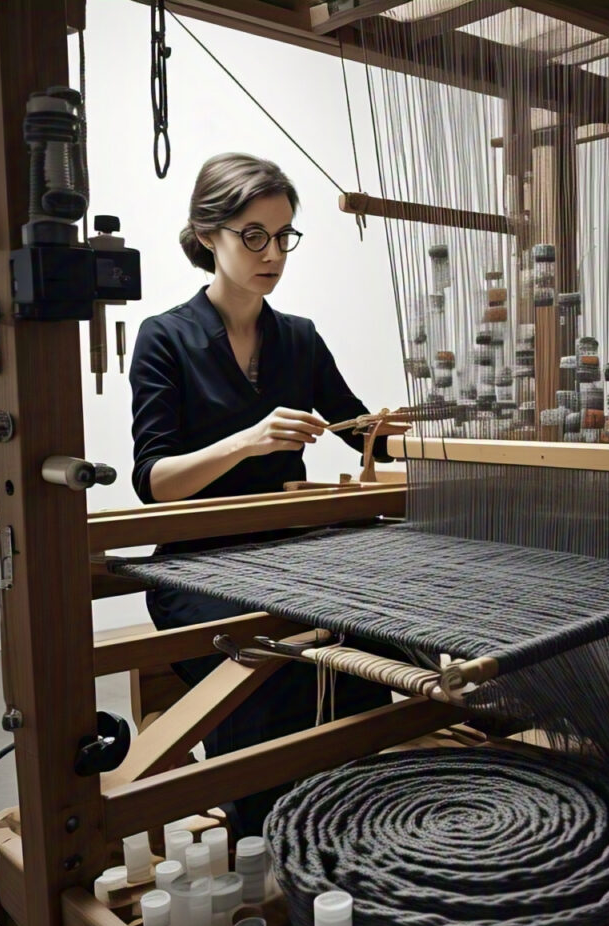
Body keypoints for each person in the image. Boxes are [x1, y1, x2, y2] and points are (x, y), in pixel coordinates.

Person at [130, 153, 394, 833]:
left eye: (283, 236)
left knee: (379, 650)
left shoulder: (298, 340)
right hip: (196, 569)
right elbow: (155, 482)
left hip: (293, 559)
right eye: (254, 235)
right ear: (206, 234)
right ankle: (263, 837)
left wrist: (404, 432)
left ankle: (349, 819)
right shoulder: (166, 339)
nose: (273, 252)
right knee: (267, 667)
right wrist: (247, 441)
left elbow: (362, 432)